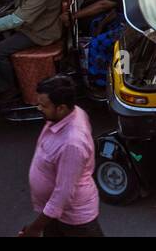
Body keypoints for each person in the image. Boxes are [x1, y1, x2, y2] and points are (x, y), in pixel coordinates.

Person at [21, 75, 102, 237]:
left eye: (43, 105)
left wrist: (35, 228)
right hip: (55, 214)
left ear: (61, 108)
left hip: (75, 219)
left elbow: (62, 194)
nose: (39, 108)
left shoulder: (72, 143)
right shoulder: (69, 114)